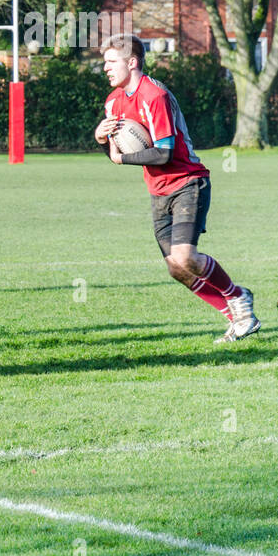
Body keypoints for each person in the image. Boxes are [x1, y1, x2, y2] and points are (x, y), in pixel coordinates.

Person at [95, 34, 259, 343]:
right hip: (158, 191)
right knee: (176, 269)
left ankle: (238, 297)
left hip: (188, 182)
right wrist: (103, 140)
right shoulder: (113, 102)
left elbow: (163, 152)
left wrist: (119, 157)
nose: (105, 68)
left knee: (185, 257)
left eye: (111, 61)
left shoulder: (153, 96)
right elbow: (115, 153)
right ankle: (239, 318)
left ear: (131, 62)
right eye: (104, 62)